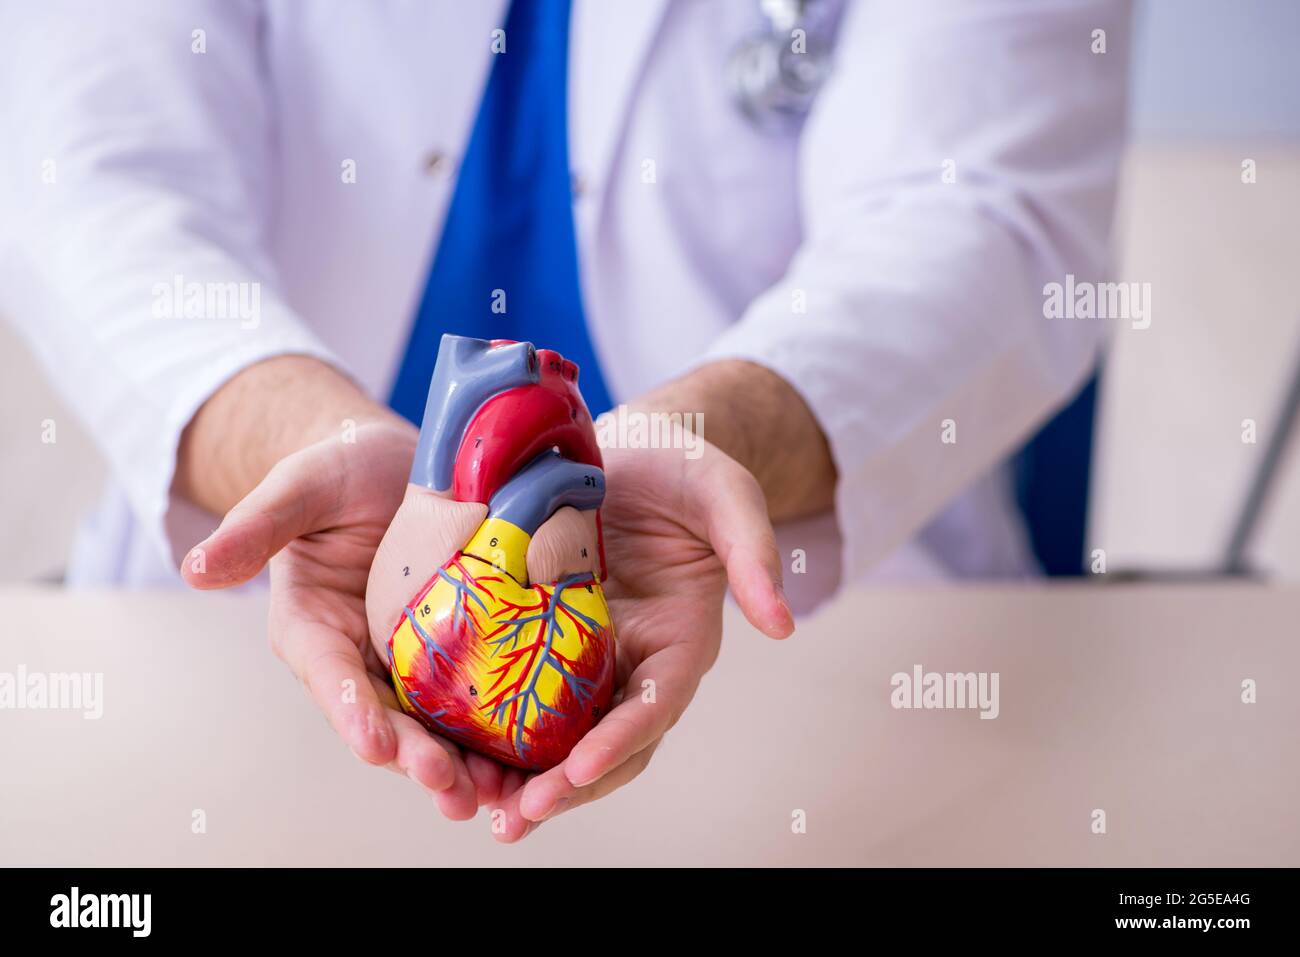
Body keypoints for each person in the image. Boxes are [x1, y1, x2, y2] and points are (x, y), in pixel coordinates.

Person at [0, 0, 1129, 841]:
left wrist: (713, 438)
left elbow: (986, 213)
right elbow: (94, 181)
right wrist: (292, 436)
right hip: (226, 672)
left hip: (841, 687)